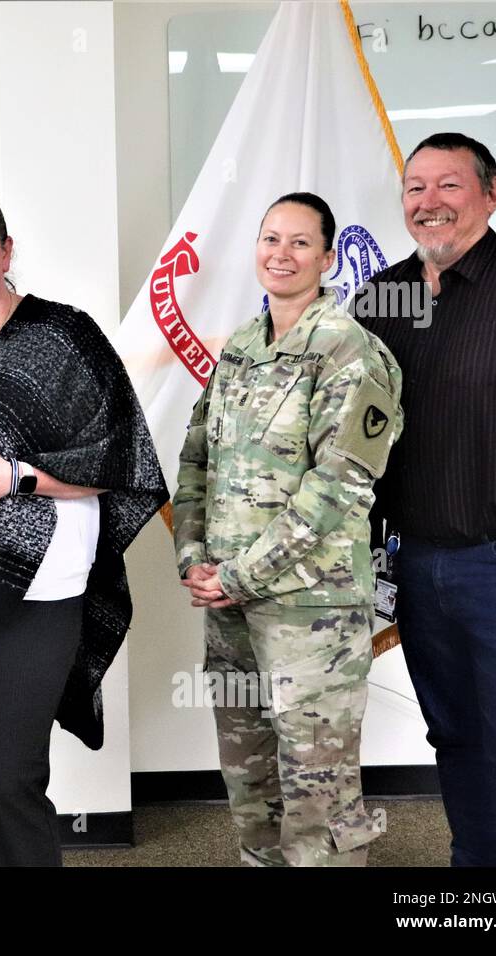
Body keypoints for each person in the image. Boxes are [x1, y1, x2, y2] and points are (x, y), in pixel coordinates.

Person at [0, 190, 167, 866]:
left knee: (11, 777)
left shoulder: (65, 336)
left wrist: (17, 475)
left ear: (6, 251)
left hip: (40, 591)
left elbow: (120, 458)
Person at [350, 132, 496, 867]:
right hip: (416, 564)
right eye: (416, 188)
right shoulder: (382, 295)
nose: (429, 202)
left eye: (449, 185)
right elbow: (358, 434)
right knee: (455, 739)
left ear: (492, 192)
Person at [173, 192, 403, 866]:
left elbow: (339, 488)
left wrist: (237, 575)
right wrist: (193, 557)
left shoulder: (351, 352)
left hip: (311, 613)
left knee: (318, 794)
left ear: (329, 258)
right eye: (270, 238)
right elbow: (195, 459)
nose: (281, 253)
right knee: (252, 782)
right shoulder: (242, 347)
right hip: (230, 606)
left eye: (300, 242)